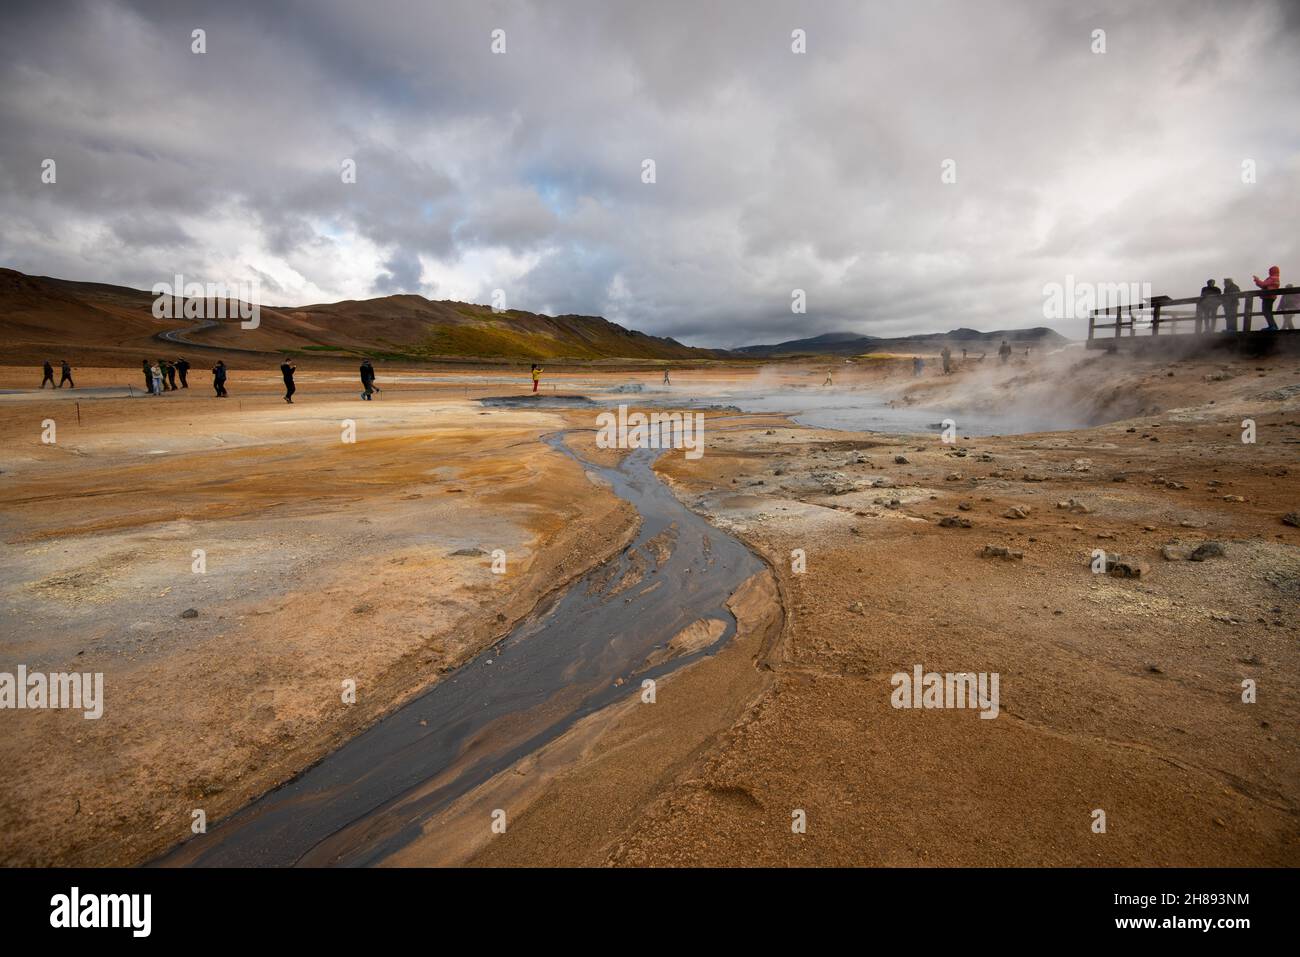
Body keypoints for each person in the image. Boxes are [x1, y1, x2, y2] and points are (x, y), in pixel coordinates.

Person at [1253, 266, 1281, 331]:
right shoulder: (1276, 278)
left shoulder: (1273, 278)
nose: (1269, 272)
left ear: (1272, 271)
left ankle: (1272, 326)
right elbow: (1263, 285)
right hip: (1271, 297)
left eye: (1270, 271)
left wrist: (1257, 279)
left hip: (1268, 296)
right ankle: (1273, 326)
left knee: (1266, 311)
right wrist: (1257, 281)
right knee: (1268, 312)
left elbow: (1263, 284)